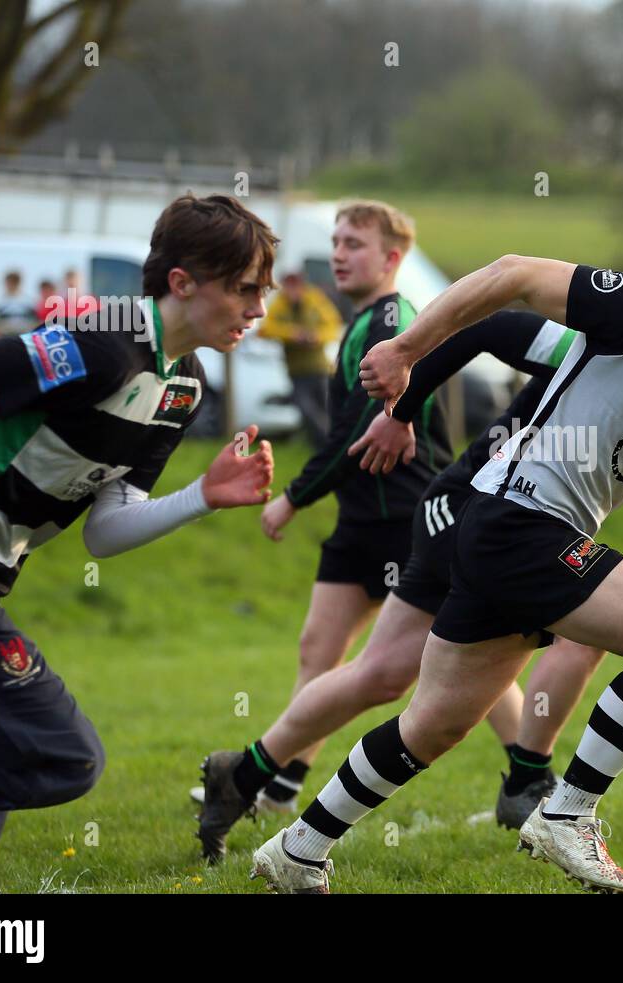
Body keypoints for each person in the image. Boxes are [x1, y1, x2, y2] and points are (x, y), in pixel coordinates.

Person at [246, 224, 623, 894]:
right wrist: (408, 350)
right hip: (519, 521)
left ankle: (299, 847)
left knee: (430, 726)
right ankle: (568, 813)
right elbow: (513, 271)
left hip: (512, 535)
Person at [0, 193, 279, 893]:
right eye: (244, 288)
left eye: (264, 291)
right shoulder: (104, 342)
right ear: (182, 283)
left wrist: (203, 497)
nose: (259, 309)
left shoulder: (181, 389)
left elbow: (104, 531)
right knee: (59, 754)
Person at [194, 201, 456, 863]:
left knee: (454, 658)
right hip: (362, 520)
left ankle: (526, 772)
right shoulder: (363, 320)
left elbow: (354, 437)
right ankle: (276, 784)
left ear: (393, 257)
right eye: (335, 241)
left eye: (355, 243)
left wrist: (292, 498)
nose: (338, 253)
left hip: (407, 517)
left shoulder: (393, 322)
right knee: (321, 649)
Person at [258, 270, 344, 448]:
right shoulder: (280, 304)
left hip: (319, 368)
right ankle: (327, 444)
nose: (292, 292)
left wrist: (315, 337)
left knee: (323, 408)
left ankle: (327, 445)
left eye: (295, 287)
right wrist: (291, 334)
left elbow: (333, 326)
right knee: (306, 409)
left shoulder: (315, 300)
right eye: (288, 287)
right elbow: (265, 329)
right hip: (296, 370)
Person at [0, 270, 36, 336]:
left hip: (22, 334)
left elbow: (34, 320)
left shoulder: (27, 301)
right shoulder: (1, 302)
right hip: (5, 334)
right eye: (9, 282)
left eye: (13, 282)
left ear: (18, 283)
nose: (11, 285)